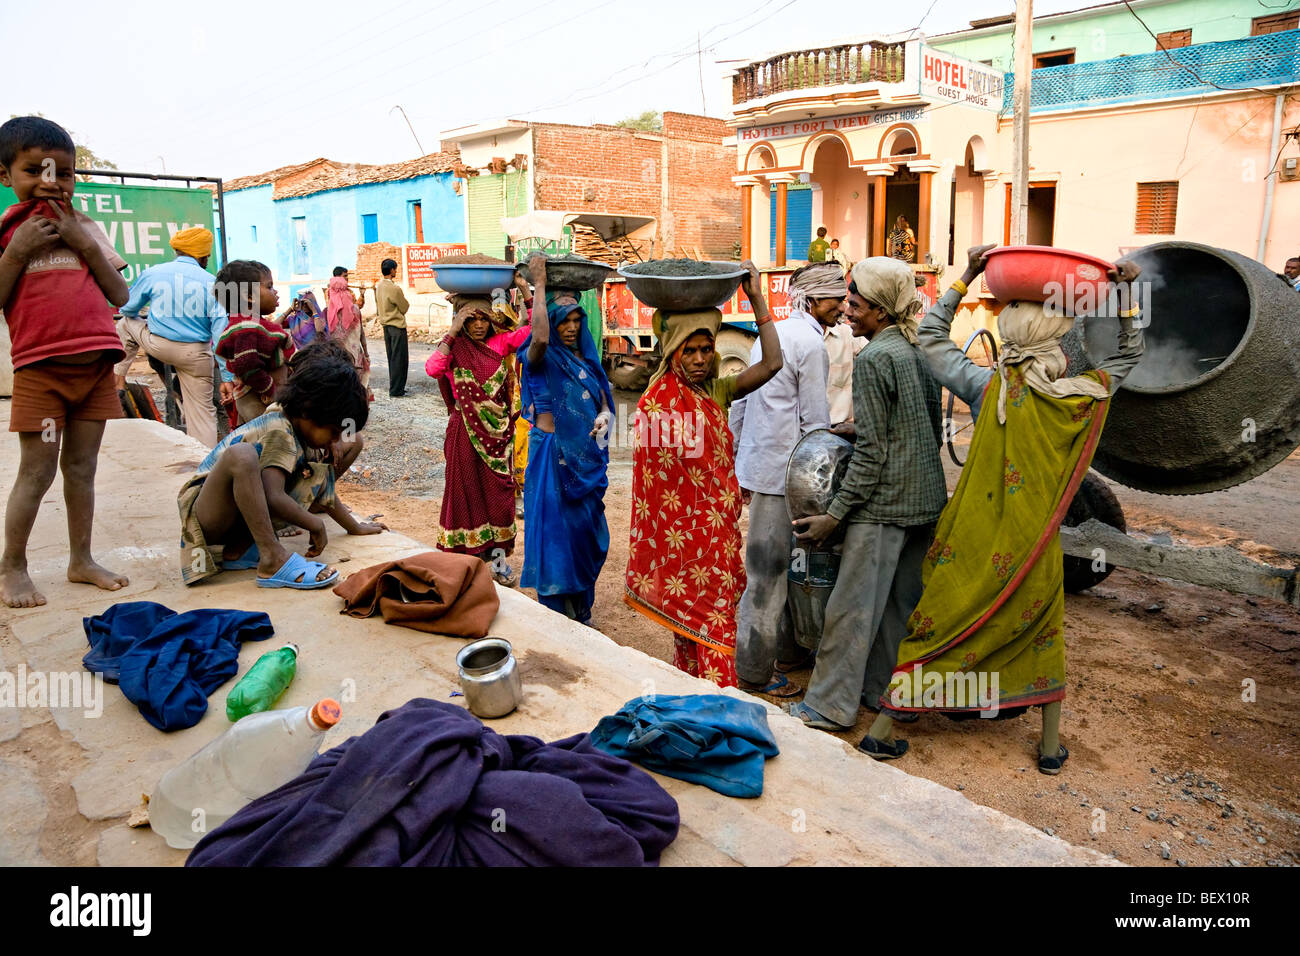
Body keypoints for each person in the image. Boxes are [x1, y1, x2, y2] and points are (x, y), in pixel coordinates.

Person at [858, 244, 1145, 773]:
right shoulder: (1078, 396)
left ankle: (881, 730)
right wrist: (1127, 297)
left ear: (1010, 332)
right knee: (1039, 629)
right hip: (1032, 545)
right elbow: (1127, 357)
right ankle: (1049, 747)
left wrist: (966, 273)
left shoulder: (987, 386)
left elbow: (930, 337)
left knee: (942, 621)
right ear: (1057, 341)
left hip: (971, 537)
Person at [785, 256, 947, 732]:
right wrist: (860, 426)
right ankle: (881, 691)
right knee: (900, 606)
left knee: (850, 609)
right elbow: (926, 428)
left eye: (855, 304)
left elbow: (873, 457)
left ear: (879, 310)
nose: (848, 312)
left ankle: (829, 706)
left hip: (886, 504)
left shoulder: (875, 358)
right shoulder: (918, 350)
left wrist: (834, 516)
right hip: (925, 499)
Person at [624, 261, 783, 687]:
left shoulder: (717, 391)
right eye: (688, 351)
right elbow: (656, 486)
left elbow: (772, 364)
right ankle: (705, 697)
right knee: (699, 630)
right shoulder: (656, 402)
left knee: (716, 623)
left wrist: (756, 299)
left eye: (705, 350)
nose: (698, 360)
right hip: (683, 545)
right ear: (673, 351)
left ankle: (713, 702)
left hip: (718, 538)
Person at [0, 116, 131, 608]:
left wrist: (81, 243)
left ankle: (82, 559)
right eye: (34, 170)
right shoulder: (8, 233)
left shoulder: (85, 227)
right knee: (37, 471)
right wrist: (15, 253)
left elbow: (118, 292)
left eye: (64, 172)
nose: (51, 182)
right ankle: (12, 566)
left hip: (95, 366)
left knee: (82, 467)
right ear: (4, 175)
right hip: (42, 371)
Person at [177, 342, 385, 590]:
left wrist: (354, 527)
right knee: (242, 455)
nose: (336, 441)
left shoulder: (301, 429)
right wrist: (314, 523)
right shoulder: (280, 430)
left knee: (312, 469)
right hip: (207, 516)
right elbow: (272, 495)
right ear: (309, 412)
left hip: (228, 517)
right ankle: (272, 559)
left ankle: (238, 550)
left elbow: (323, 484)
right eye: (333, 432)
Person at [731, 262, 838, 697]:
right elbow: (815, 424)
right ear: (812, 300)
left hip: (762, 470)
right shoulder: (811, 345)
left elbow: (740, 402)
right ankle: (753, 671)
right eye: (834, 299)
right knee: (771, 575)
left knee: (782, 570)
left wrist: (738, 461)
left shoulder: (770, 337)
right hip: (787, 479)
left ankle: (788, 652)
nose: (842, 307)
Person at [518, 258, 614, 624]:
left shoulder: (586, 359)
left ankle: (580, 607)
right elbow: (540, 336)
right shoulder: (538, 357)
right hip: (551, 459)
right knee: (555, 534)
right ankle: (557, 614)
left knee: (585, 533)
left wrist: (604, 416)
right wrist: (538, 286)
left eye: (577, 320)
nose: (572, 328)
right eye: (565, 320)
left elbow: (603, 400)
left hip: (586, 461)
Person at [425, 288, 531, 584]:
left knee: (498, 495)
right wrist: (452, 330)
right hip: (464, 434)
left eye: (484, 319)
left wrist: (525, 291)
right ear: (462, 323)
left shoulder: (499, 343)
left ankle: (497, 562)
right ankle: (466, 562)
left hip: (498, 436)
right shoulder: (453, 349)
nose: (480, 325)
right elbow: (432, 369)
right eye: (472, 320)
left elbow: (532, 331)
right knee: (465, 493)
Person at [114, 226, 228, 448]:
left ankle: (117, 381)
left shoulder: (154, 273)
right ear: (203, 255)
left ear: (178, 251)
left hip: (159, 345)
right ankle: (202, 467)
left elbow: (127, 308)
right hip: (197, 353)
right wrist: (226, 375)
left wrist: (152, 320)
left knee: (126, 323)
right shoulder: (213, 283)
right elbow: (220, 331)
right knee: (203, 415)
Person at [213, 260, 293, 425]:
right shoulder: (246, 328)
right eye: (269, 287)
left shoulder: (251, 323)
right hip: (258, 401)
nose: (275, 292)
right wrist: (272, 390)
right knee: (272, 441)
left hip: (256, 398)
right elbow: (246, 365)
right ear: (249, 297)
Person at [325, 273, 371, 394]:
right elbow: (362, 335)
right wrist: (366, 353)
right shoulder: (355, 309)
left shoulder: (327, 313)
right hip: (356, 356)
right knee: (358, 385)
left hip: (336, 357)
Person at [375, 258, 409, 397]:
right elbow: (404, 307)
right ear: (392, 270)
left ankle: (394, 387)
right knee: (399, 359)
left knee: (392, 358)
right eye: (395, 268)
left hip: (386, 326)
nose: (396, 271)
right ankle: (397, 389)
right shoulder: (394, 288)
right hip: (396, 326)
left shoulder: (379, 286)